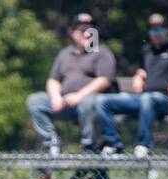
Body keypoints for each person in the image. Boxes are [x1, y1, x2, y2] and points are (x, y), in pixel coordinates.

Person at [96, 13, 168, 158]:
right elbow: (143, 69)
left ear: (167, 30)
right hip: (142, 99)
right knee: (102, 102)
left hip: (165, 101)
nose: (156, 34)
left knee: (148, 99)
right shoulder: (147, 50)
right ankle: (113, 144)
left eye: (160, 30)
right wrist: (138, 76)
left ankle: (143, 145)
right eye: (153, 30)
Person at [27, 13, 117, 156]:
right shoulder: (65, 53)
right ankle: (51, 144)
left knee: (89, 102)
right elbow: (53, 80)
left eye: (91, 30)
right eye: (82, 30)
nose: (87, 34)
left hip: (92, 105)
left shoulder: (101, 52)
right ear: (72, 32)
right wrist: (56, 97)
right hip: (66, 104)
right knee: (35, 101)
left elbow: (104, 80)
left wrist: (79, 96)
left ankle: (89, 148)